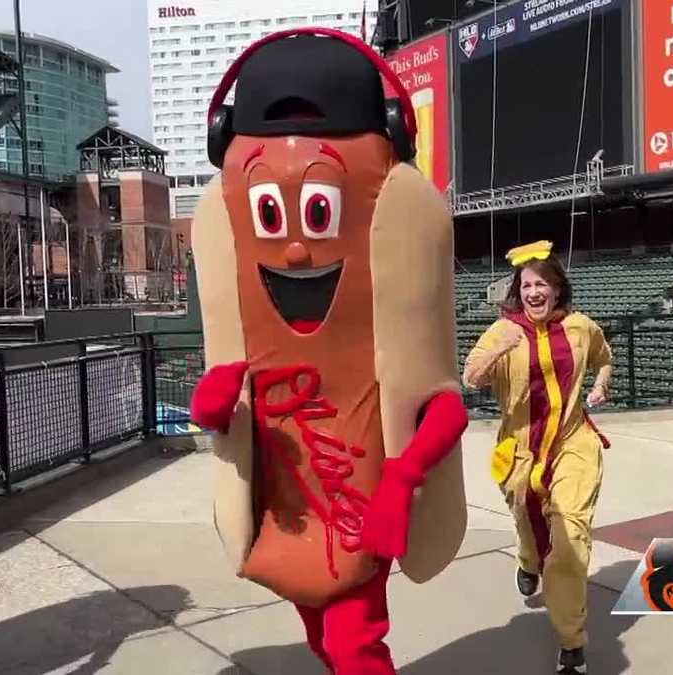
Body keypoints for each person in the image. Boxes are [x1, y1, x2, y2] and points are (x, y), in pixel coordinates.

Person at [188, 28, 467, 674]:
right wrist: (215, 403)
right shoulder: (245, 292)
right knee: (325, 640)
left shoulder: (392, 267)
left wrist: (401, 479)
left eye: (318, 212)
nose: (292, 250)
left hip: (358, 509)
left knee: (354, 644)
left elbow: (444, 404)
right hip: (287, 516)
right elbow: (220, 407)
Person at [462, 240, 614, 675]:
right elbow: (470, 377)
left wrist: (600, 384)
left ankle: (572, 644)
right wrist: (498, 348)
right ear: (518, 290)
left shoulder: (582, 328)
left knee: (568, 535)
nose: (534, 292)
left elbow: (605, 357)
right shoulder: (502, 331)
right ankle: (528, 559)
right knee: (526, 519)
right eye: (527, 284)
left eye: (542, 283)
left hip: (573, 443)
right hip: (521, 450)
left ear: (557, 288)